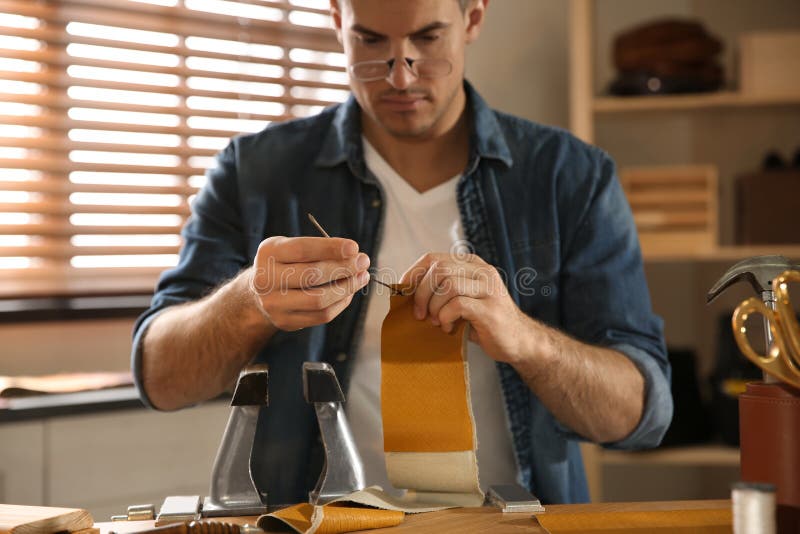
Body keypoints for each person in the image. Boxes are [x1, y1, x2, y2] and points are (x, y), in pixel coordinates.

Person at [132, 0, 672, 506]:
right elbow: (161, 379)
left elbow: (642, 416)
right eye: (370, 41)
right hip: (316, 522)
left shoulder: (571, 178)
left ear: (474, 17)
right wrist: (248, 302)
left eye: (427, 38)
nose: (400, 76)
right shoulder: (253, 172)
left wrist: (527, 340)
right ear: (337, 20)